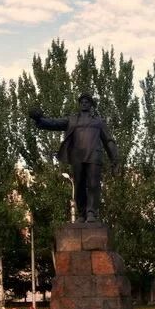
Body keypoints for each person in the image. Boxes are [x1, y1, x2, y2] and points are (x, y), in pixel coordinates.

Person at [29, 93, 120, 223]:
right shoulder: (72, 119)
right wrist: (39, 119)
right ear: (79, 103)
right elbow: (54, 123)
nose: (84, 103)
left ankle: (91, 212)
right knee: (79, 186)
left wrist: (115, 159)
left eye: (87, 101)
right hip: (77, 157)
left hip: (94, 155)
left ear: (91, 104)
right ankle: (82, 213)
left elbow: (109, 140)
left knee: (93, 185)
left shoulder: (99, 121)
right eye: (82, 101)